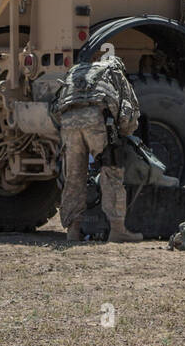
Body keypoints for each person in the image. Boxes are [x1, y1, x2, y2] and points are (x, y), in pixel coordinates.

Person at [51, 52, 143, 243]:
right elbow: (128, 114)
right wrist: (122, 133)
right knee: (111, 172)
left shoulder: (76, 71)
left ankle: (73, 230)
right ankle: (117, 229)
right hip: (97, 120)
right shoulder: (115, 73)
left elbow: (55, 106)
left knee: (74, 177)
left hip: (68, 120)